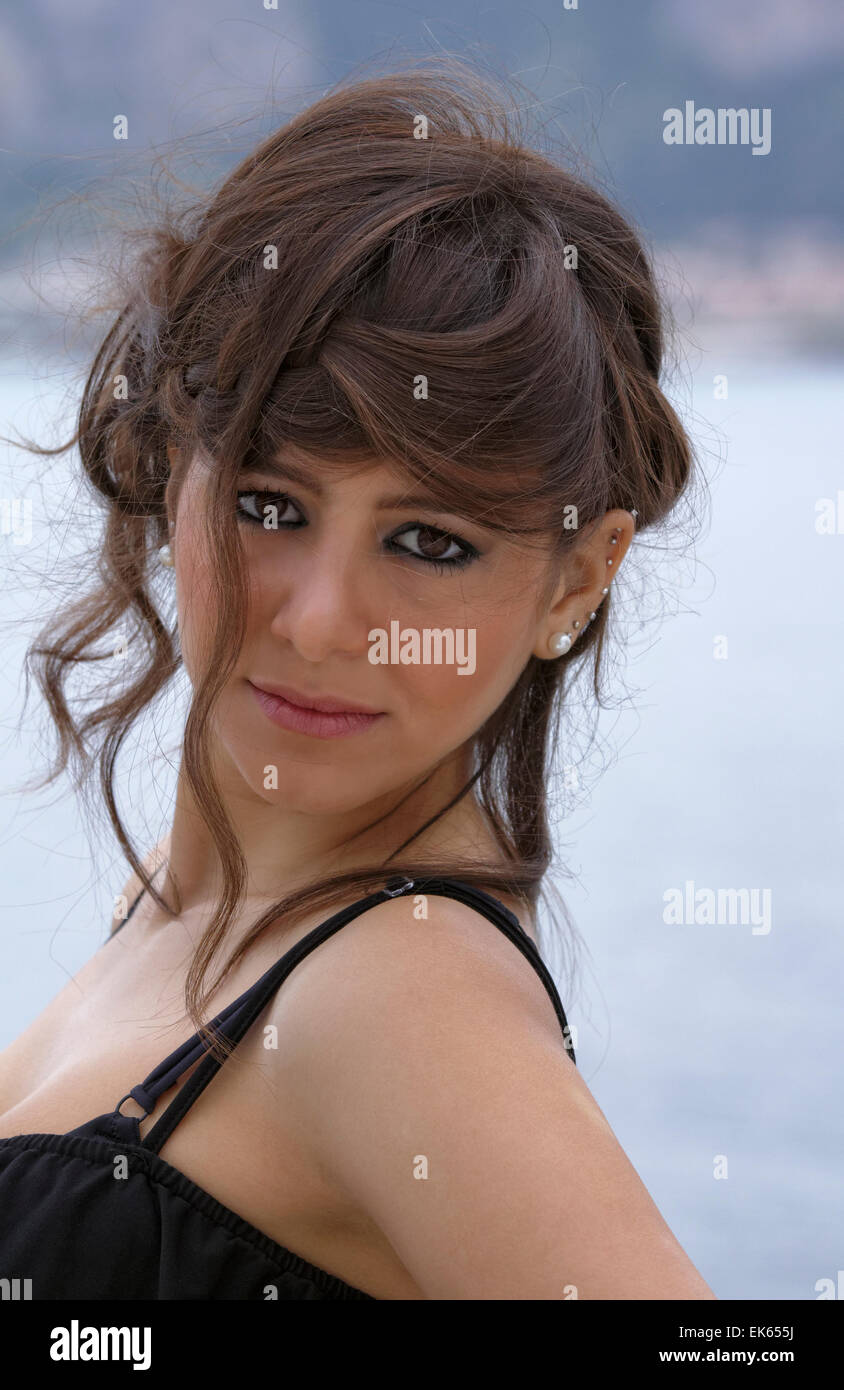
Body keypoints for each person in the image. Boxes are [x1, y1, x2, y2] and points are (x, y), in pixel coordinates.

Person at [0, 60, 715, 1300]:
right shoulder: (184, 903)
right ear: (173, 467)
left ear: (576, 579)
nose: (326, 622)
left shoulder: (400, 997)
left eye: (431, 541)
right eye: (271, 504)